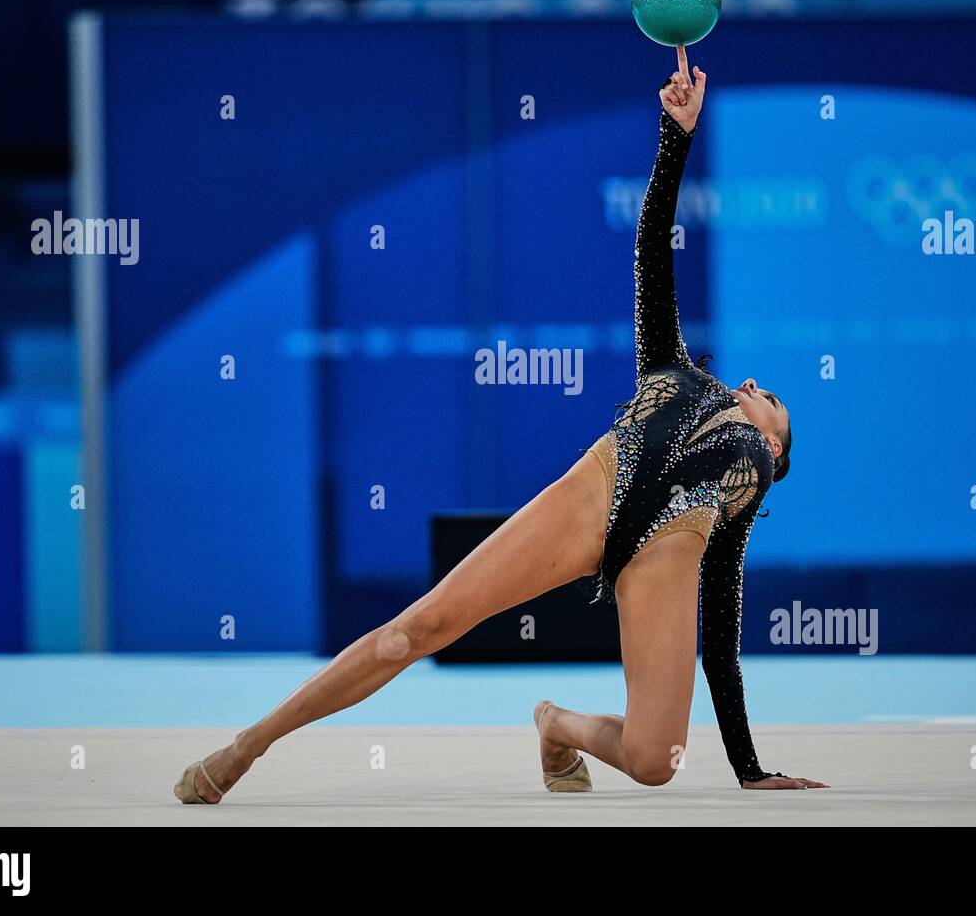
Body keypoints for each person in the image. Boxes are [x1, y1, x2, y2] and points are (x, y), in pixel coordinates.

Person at [175, 46, 826, 803]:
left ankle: (558, 723)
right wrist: (674, 137)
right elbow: (653, 248)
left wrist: (749, 766)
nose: (752, 384)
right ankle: (246, 746)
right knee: (411, 631)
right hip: (592, 498)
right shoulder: (672, 368)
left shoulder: (747, 481)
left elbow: (722, 634)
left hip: (663, 559)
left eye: (770, 397)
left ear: (774, 446)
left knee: (656, 761)